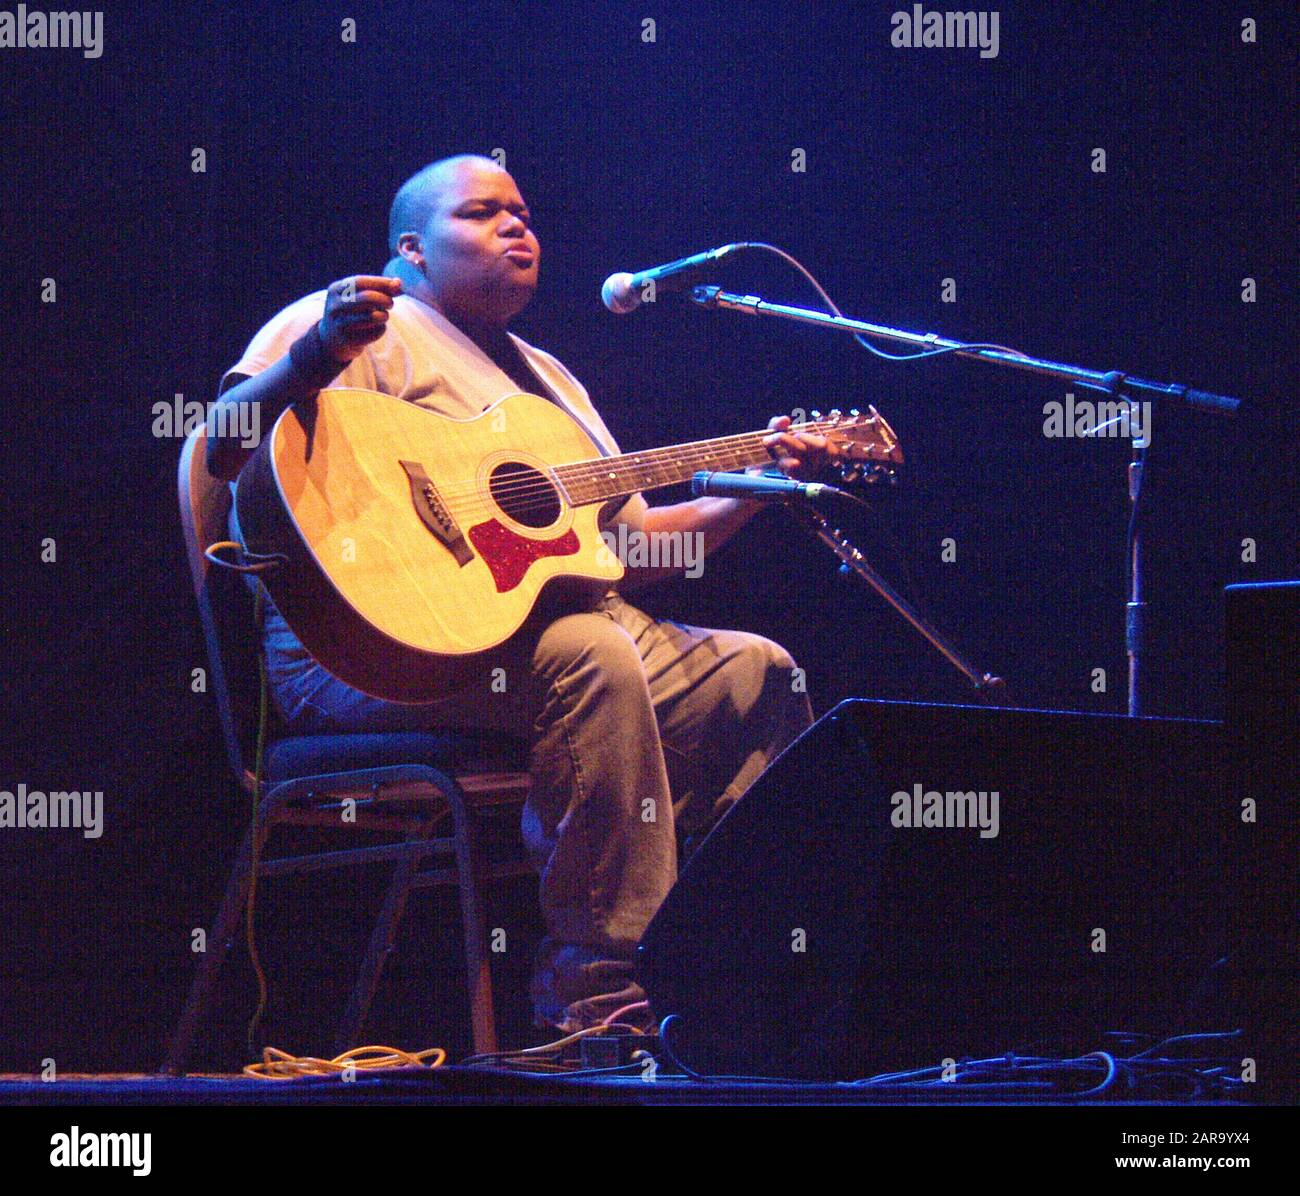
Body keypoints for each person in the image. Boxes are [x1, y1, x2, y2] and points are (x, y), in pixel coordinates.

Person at [207, 154, 837, 1034]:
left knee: (758, 675)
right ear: (412, 249)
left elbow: (635, 546)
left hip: (549, 631)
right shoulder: (351, 323)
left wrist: (747, 483)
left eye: (526, 214)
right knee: (594, 658)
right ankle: (604, 1006)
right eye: (483, 212)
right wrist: (316, 355)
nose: (518, 228)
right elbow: (220, 447)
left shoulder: (551, 384)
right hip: (370, 653)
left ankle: (743, 972)